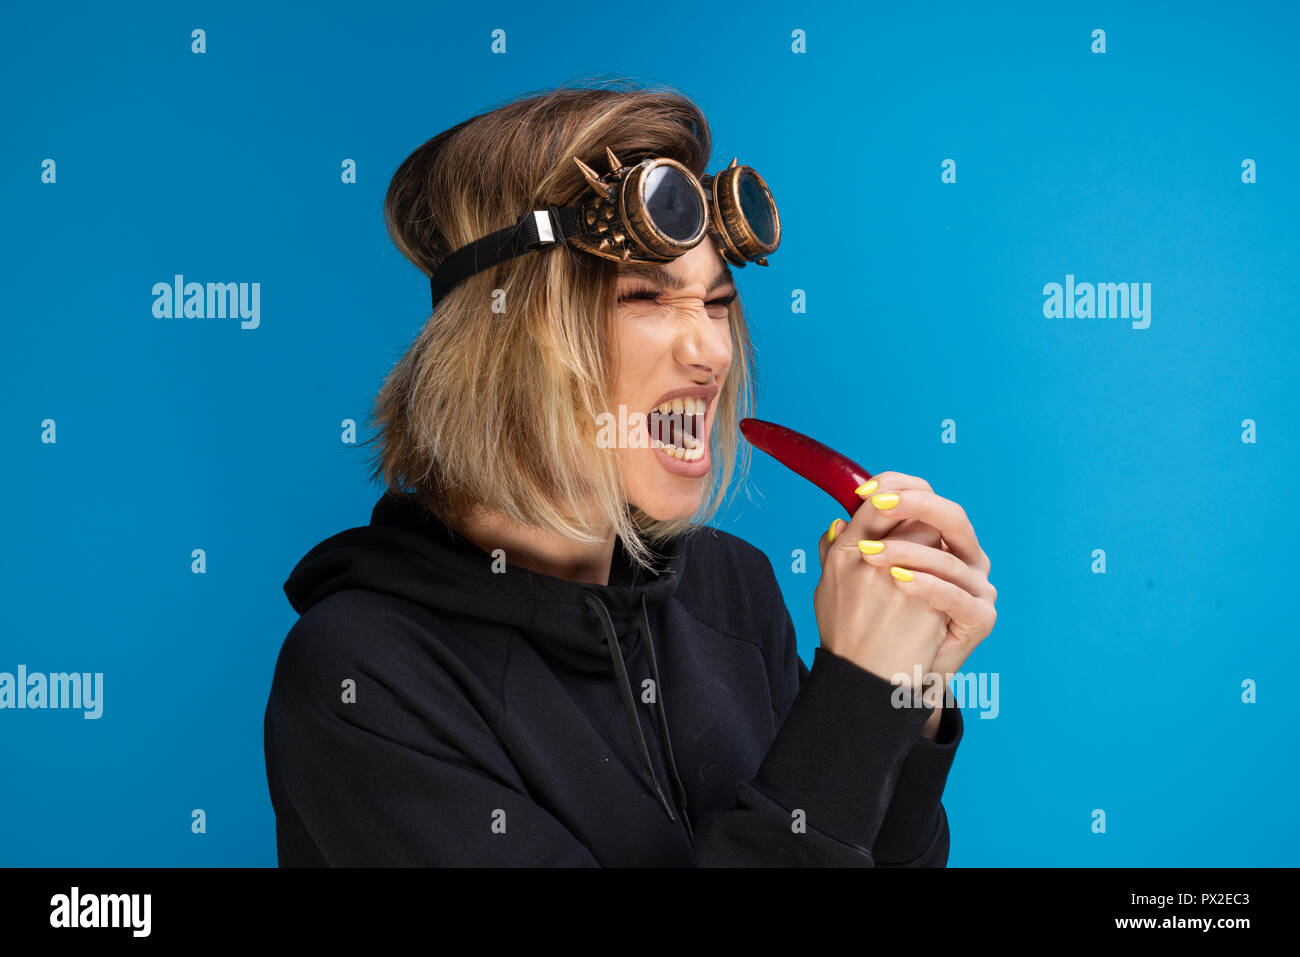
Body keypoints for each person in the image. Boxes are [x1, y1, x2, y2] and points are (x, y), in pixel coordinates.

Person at [262, 80, 997, 867]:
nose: (712, 352)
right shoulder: (361, 678)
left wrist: (898, 697)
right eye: (647, 297)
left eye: (717, 304)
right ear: (502, 344)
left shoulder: (734, 591)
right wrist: (851, 700)